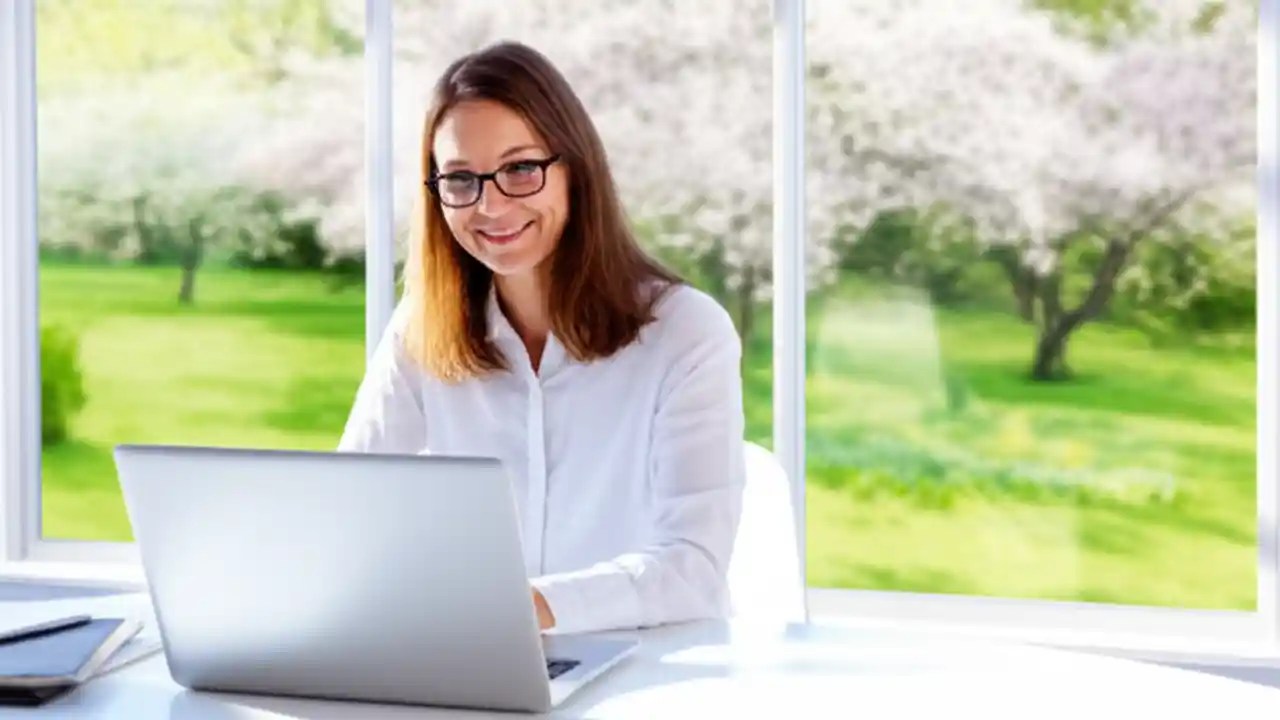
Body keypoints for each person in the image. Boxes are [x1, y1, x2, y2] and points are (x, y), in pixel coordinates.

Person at [337, 40, 745, 635]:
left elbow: (693, 569)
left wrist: (523, 608)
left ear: (574, 168)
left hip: (644, 669)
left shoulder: (685, 332)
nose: (491, 205)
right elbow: (345, 508)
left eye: (521, 169)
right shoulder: (423, 328)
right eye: (460, 179)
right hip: (472, 659)